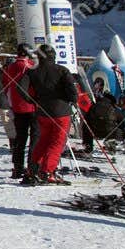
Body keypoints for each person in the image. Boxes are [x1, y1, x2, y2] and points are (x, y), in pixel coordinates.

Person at [24, 45, 76, 185]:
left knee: (43, 141)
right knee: (57, 142)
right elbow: (72, 91)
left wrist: (33, 100)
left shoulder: (31, 72)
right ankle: (47, 171)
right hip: (61, 112)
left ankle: (33, 169)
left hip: (42, 111)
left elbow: (21, 89)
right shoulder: (62, 70)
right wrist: (72, 100)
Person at [0, 44, 38, 179]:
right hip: (31, 105)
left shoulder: (11, 67)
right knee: (35, 138)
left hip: (16, 106)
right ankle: (32, 167)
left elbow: (5, 85)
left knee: (19, 139)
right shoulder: (30, 66)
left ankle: (17, 167)